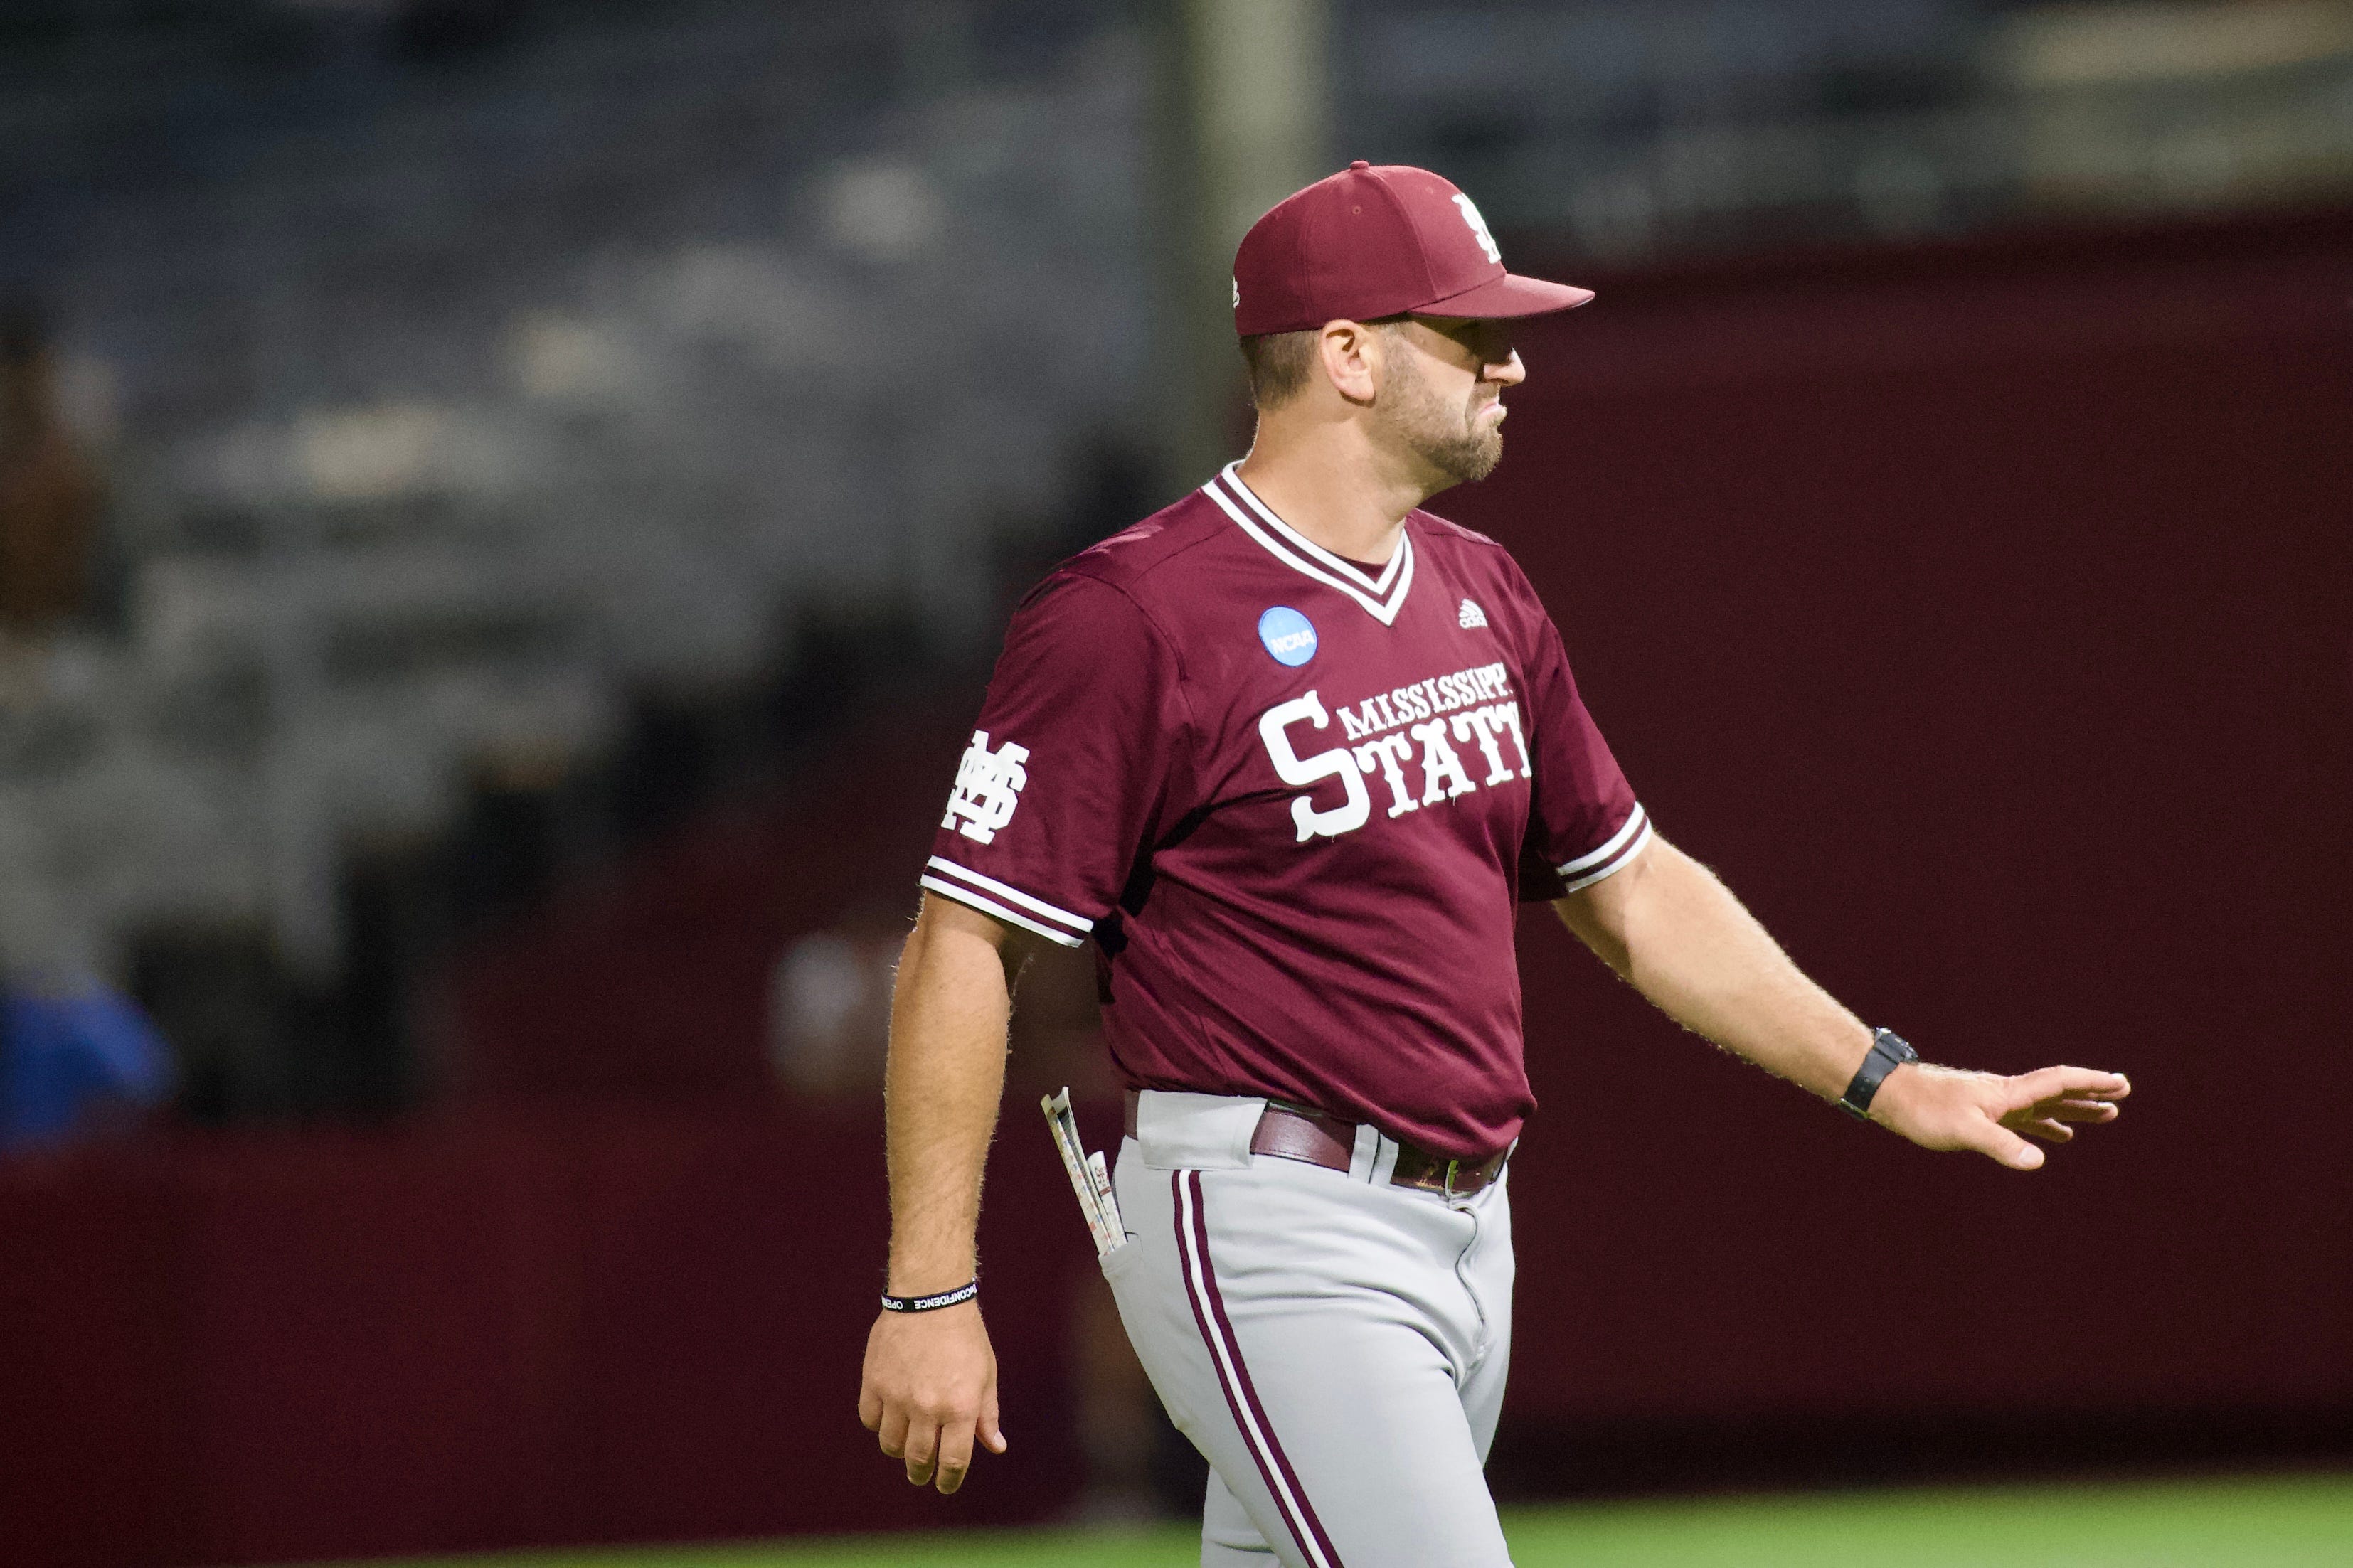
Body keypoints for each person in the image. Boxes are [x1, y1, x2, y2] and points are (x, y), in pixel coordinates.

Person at [856, 163, 2130, 1567]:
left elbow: (1630, 887)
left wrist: (1888, 1075)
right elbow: (961, 936)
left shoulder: (1481, 588)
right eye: (1470, 332)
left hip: (1468, 1224)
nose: (1512, 363)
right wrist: (928, 1285)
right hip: (1272, 1217)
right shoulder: (1131, 613)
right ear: (1344, 353)